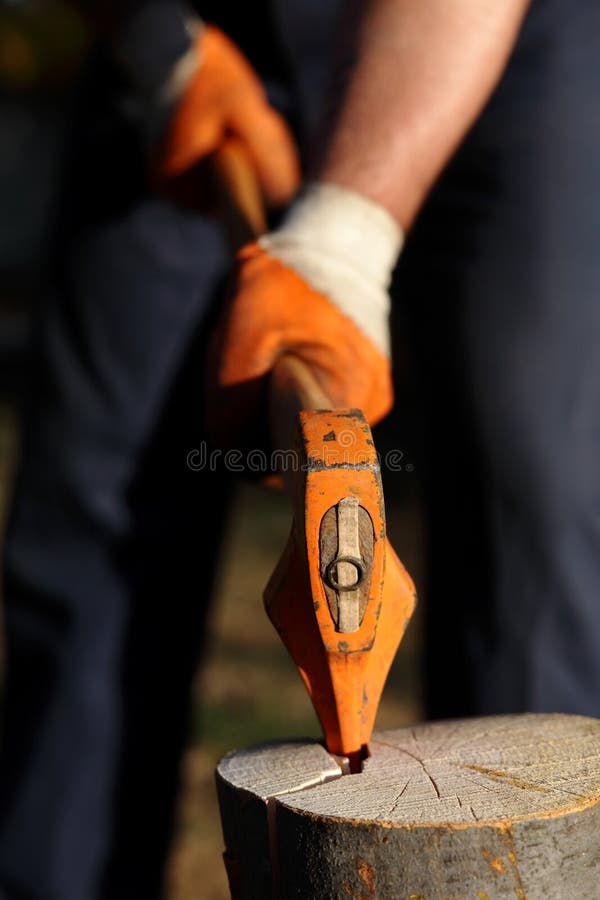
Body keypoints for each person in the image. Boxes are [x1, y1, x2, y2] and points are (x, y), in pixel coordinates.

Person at [1, 1, 599, 898]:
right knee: (99, 504)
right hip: (202, 34)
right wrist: (157, 41)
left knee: (535, 496)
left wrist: (342, 245)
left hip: (486, 38)